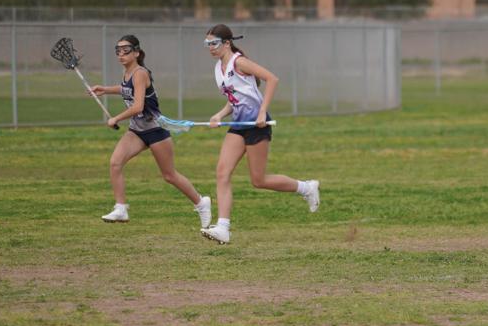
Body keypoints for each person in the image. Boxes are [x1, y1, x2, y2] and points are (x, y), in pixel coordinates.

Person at [199, 24, 320, 245]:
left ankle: (306, 187)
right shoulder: (219, 68)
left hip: (257, 125)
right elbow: (234, 98)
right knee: (222, 173)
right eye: (207, 44)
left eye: (214, 43)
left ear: (226, 43)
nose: (210, 48)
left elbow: (272, 79)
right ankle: (223, 227)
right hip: (238, 124)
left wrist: (263, 110)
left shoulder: (239, 62)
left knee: (259, 180)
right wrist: (219, 114)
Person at [89, 35, 212, 227]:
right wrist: (105, 89)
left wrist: (116, 118)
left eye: (126, 50)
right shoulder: (127, 73)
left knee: (169, 175)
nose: (121, 54)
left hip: (155, 130)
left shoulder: (140, 73)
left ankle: (201, 203)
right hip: (137, 130)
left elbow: (138, 106)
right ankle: (120, 209)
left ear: (136, 53)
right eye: (118, 51)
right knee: (115, 163)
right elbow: (126, 90)